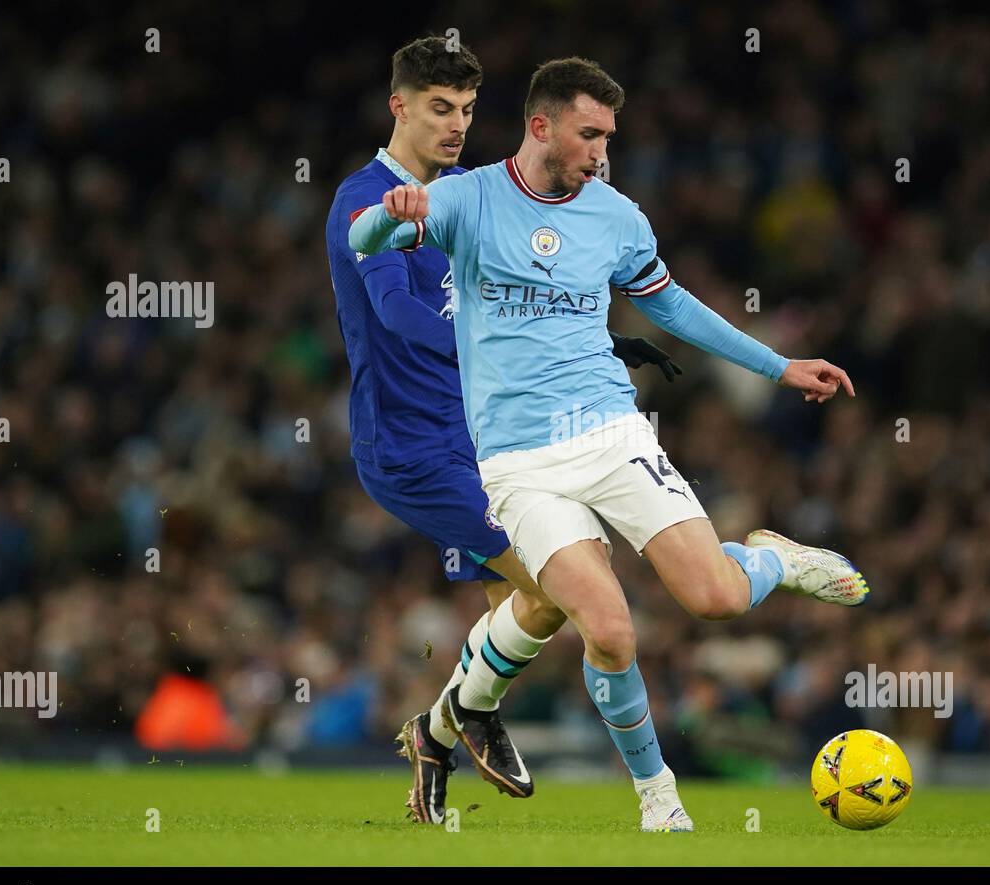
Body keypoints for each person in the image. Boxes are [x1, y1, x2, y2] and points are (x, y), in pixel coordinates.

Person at [349, 57, 869, 830]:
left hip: (611, 434)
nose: (600, 150)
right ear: (542, 126)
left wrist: (777, 364)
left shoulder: (617, 214)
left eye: (607, 136)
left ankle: (773, 559)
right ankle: (658, 797)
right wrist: (392, 212)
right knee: (610, 628)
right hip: (520, 467)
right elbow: (366, 237)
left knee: (716, 599)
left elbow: (675, 306)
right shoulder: (468, 199)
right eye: (588, 134)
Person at [325, 38, 679, 824]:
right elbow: (396, 311)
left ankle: (440, 737)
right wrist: (508, 343)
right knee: (555, 592)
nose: (456, 126)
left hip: (487, 441)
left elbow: (524, 296)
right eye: (440, 109)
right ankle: (457, 721)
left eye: (468, 111)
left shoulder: (471, 195)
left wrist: (603, 340)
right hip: (413, 448)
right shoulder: (366, 198)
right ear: (400, 107)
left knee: (525, 619)